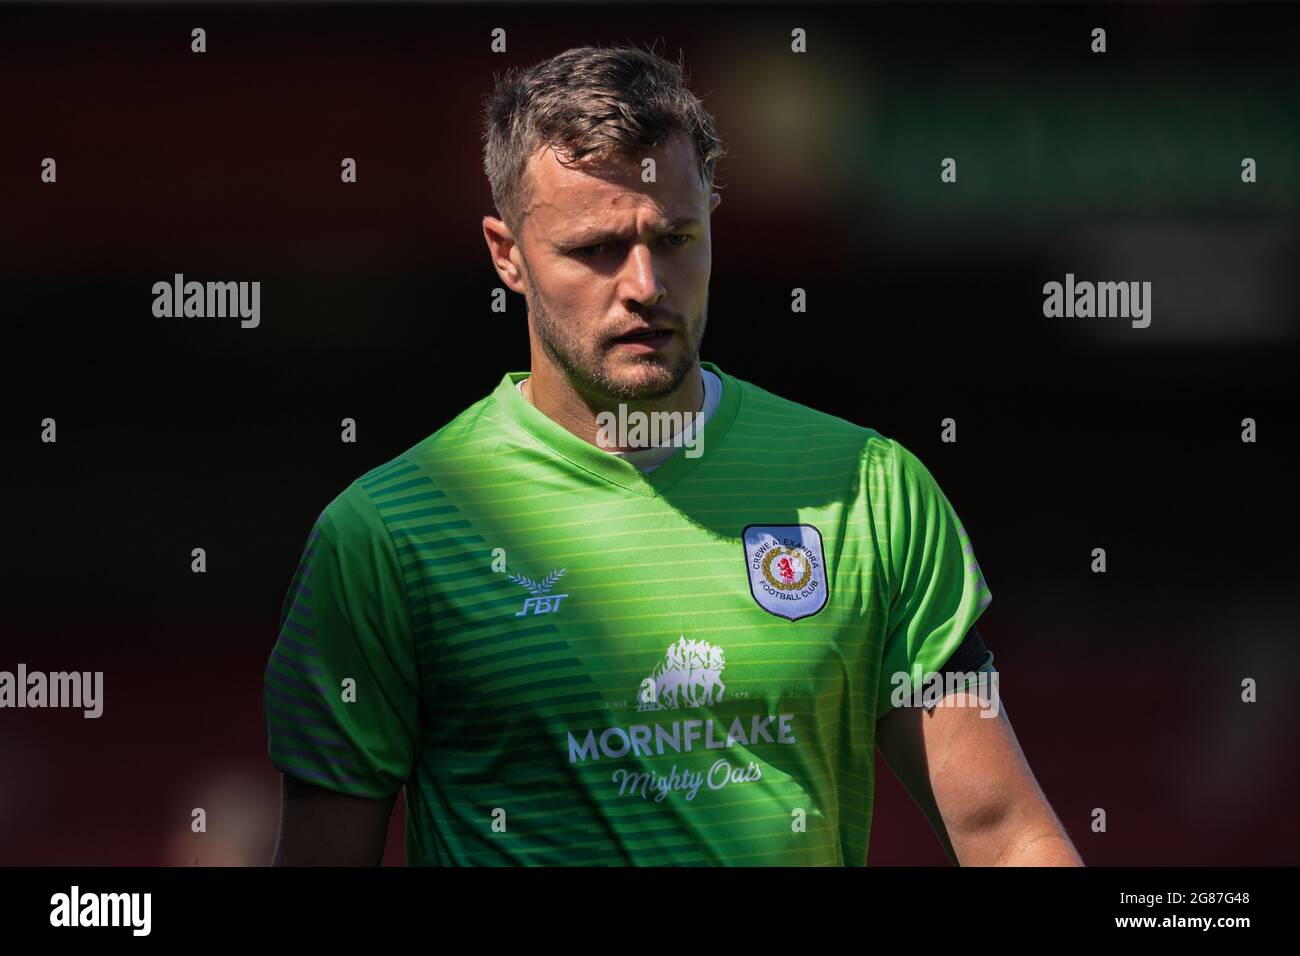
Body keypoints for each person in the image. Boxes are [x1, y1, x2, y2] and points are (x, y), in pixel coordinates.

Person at [264, 43, 1082, 866]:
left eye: (675, 238)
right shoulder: (387, 534)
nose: (646, 286)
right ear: (506, 254)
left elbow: (1006, 837)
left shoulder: (868, 490)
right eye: (596, 249)